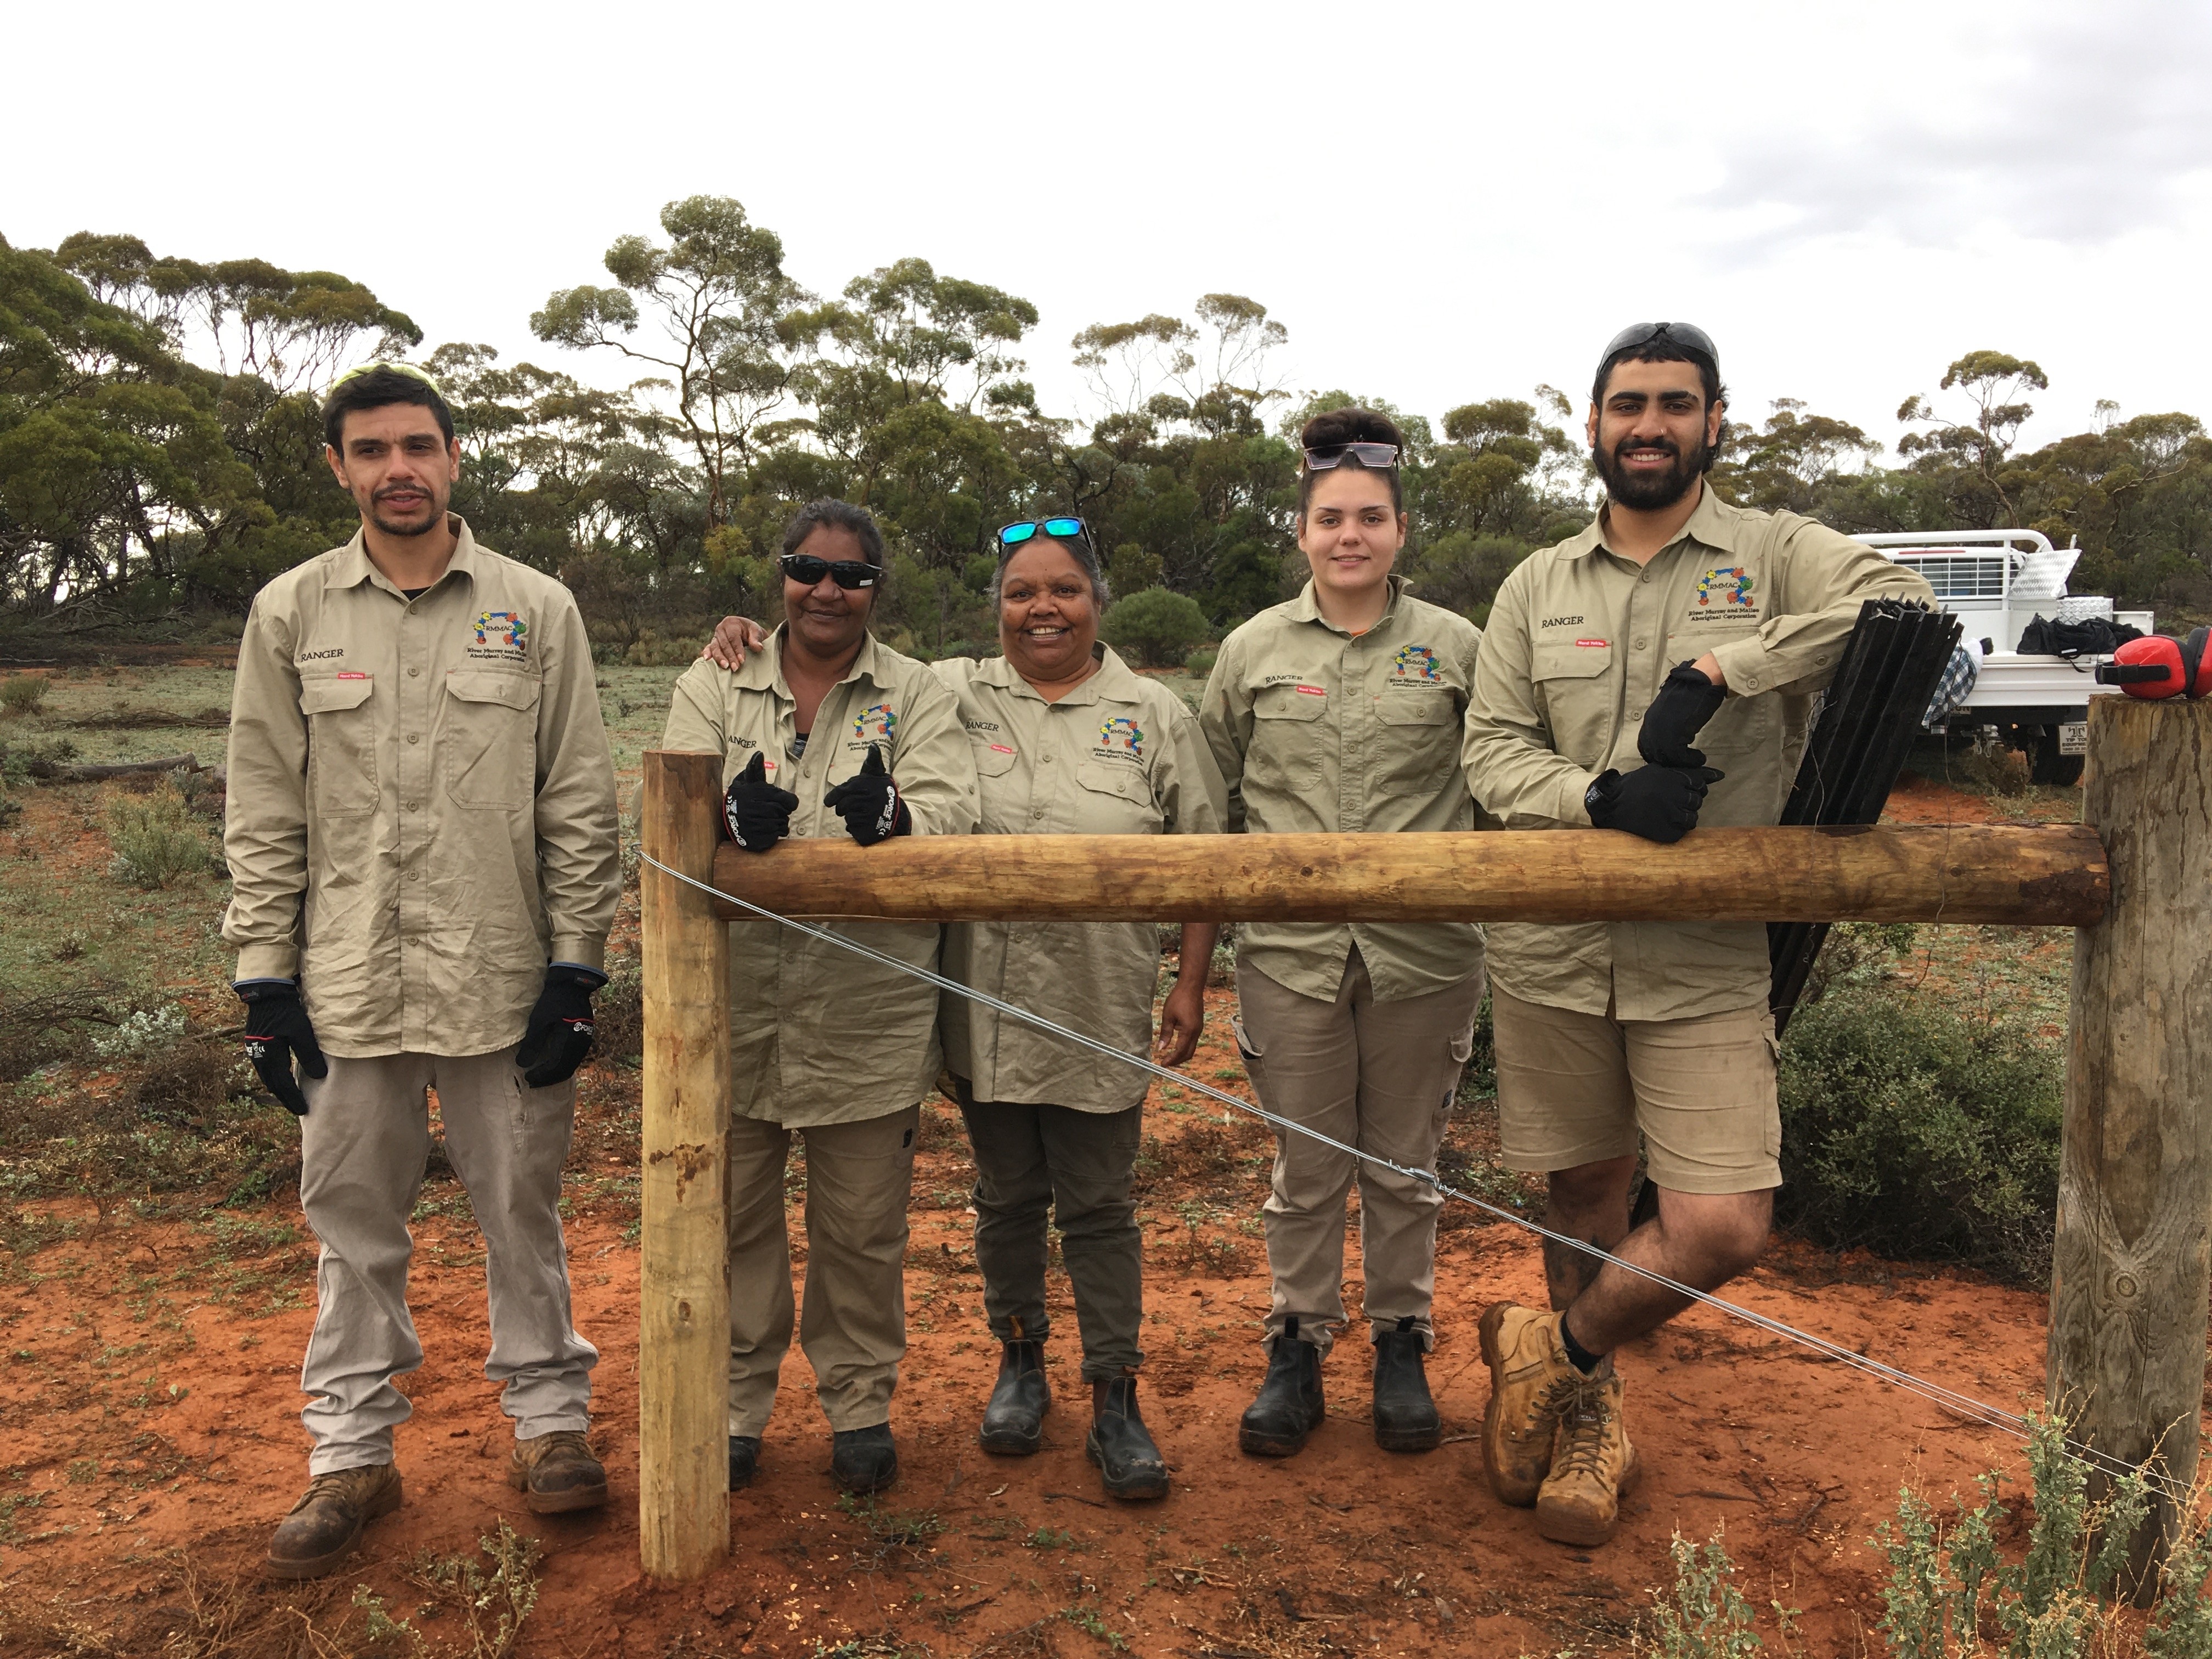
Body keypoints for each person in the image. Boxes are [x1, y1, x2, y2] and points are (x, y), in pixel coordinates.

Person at [1463, 322, 1935, 1547]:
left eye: (1677, 403)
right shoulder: (1536, 585)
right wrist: (1600, 797)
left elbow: (1904, 603)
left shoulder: (1776, 552)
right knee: (1584, 1189)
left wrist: (1730, 668)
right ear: (1594, 425)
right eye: (1629, 404)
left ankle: (1552, 1348)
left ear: (1717, 421)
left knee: (1722, 1222)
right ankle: (1589, 1420)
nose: (1651, 425)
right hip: (1556, 942)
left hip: (1707, 950)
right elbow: (1492, 748)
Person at [707, 517, 1229, 1500]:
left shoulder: (1154, 713)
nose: (1042, 609)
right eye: (1021, 592)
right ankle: (1020, 1364)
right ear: (995, 608)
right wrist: (743, 629)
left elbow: (1202, 855)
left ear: (1096, 603)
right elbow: (831, 645)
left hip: (1095, 997)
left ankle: (1115, 1390)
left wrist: (1190, 985)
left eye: (1064, 590)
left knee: (1103, 1205)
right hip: (977, 1004)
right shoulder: (945, 689)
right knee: (1005, 1198)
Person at [224, 363, 620, 1579]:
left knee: (521, 1214)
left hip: (502, 978)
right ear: (338, 468)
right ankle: (351, 1457)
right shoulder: (290, 613)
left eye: (419, 446)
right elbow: (263, 801)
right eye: (371, 450)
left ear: (455, 458)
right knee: (352, 1226)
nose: (398, 468)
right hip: (343, 984)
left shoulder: (536, 607)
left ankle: (550, 1428)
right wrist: (264, 981)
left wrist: (575, 973)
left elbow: (576, 797)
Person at [662, 499, 978, 1497]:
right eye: (807, 568)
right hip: (733, 1012)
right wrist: (719, 821)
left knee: (862, 1226)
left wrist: (896, 815)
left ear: (876, 589)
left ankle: (857, 1403)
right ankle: (736, 1408)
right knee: (736, 1222)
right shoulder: (714, 679)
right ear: (780, 577)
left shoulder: (919, 693)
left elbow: (957, 814)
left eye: (851, 575)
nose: (827, 590)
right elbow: (668, 803)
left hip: (867, 1012)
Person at [1197, 408, 1487, 1461]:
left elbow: (1497, 781)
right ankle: (1298, 1346)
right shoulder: (1252, 651)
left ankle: (1402, 1339)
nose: (1349, 536)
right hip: (1290, 954)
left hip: (1428, 953)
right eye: (1330, 519)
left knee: (1406, 1163)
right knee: (1309, 1166)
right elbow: (1208, 788)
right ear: (1304, 532)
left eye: (1370, 517)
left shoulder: (1460, 649)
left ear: (1402, 530)